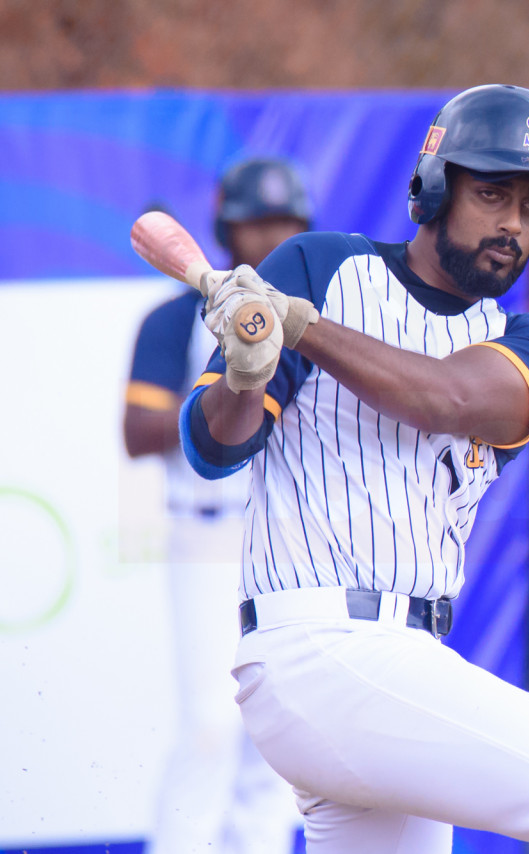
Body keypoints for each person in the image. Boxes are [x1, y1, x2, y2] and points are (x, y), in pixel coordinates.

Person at [176, 84, 529, 853]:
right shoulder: (320, 266)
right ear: (438, 185)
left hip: (398, 667)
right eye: (494, 192)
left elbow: (440, 397)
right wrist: (244, 377)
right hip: (322, 648)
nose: (512, 223)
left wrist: (302, 329)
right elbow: (214, 449)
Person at [124, 157, 313, 854]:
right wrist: (230, 387)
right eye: (256, 222)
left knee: (274, 739)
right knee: (210, 725)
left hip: (284, 538)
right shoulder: (176, 319)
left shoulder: (305, 325)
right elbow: (137, 432)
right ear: (227, 229)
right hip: (205, 534)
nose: (270, 237)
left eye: (285, 223)